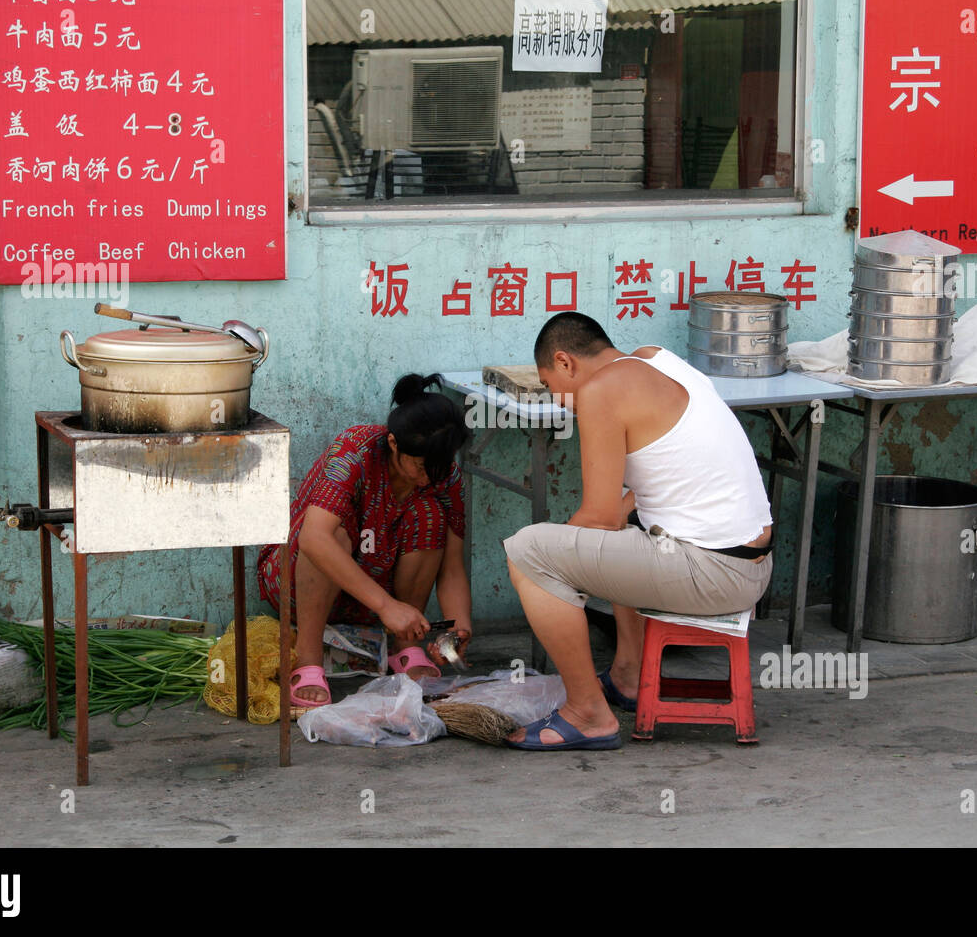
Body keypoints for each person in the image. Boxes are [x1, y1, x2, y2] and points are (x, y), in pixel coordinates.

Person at [502, 312, 773, 750]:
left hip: (713, 573)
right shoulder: (657, 359)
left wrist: (556, 564)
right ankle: (627, 676)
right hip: (748, 564)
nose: (560, 402)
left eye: (552, 387)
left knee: (526, 552)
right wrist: (573, 549)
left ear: (565, 362)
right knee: (625, 523)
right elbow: (621, 509)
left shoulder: (599, 392)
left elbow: (600, 519)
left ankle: (587, 714)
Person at [256, 373, 472, 708]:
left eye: (441, 466)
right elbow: (313, 539)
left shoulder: (445, 476)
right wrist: (387, 606)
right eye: (420, 466)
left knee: (430, 514)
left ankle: (405, 646)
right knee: (331, 536)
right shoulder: (354, 451)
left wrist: (459, 628)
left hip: (379, 601)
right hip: (301, 583)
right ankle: (308, 658)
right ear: (393, 444)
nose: (430, 476)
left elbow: (453, 568)